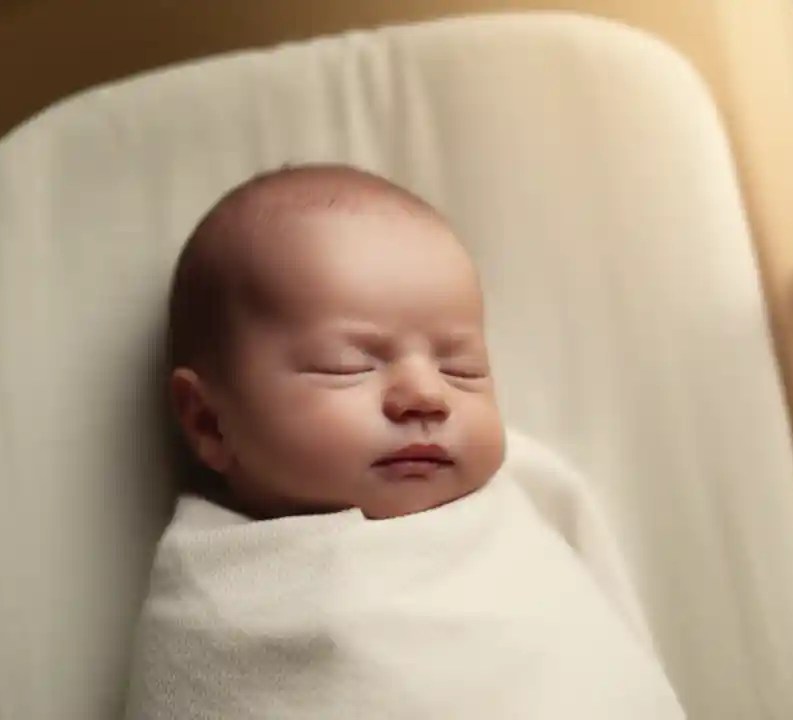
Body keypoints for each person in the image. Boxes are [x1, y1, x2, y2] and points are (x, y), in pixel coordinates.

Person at [126, 163, 684, 719]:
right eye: (345, 365)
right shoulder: (217, 601)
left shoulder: (524, 503)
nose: (426, 395)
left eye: (462, 368)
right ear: (209, 423)